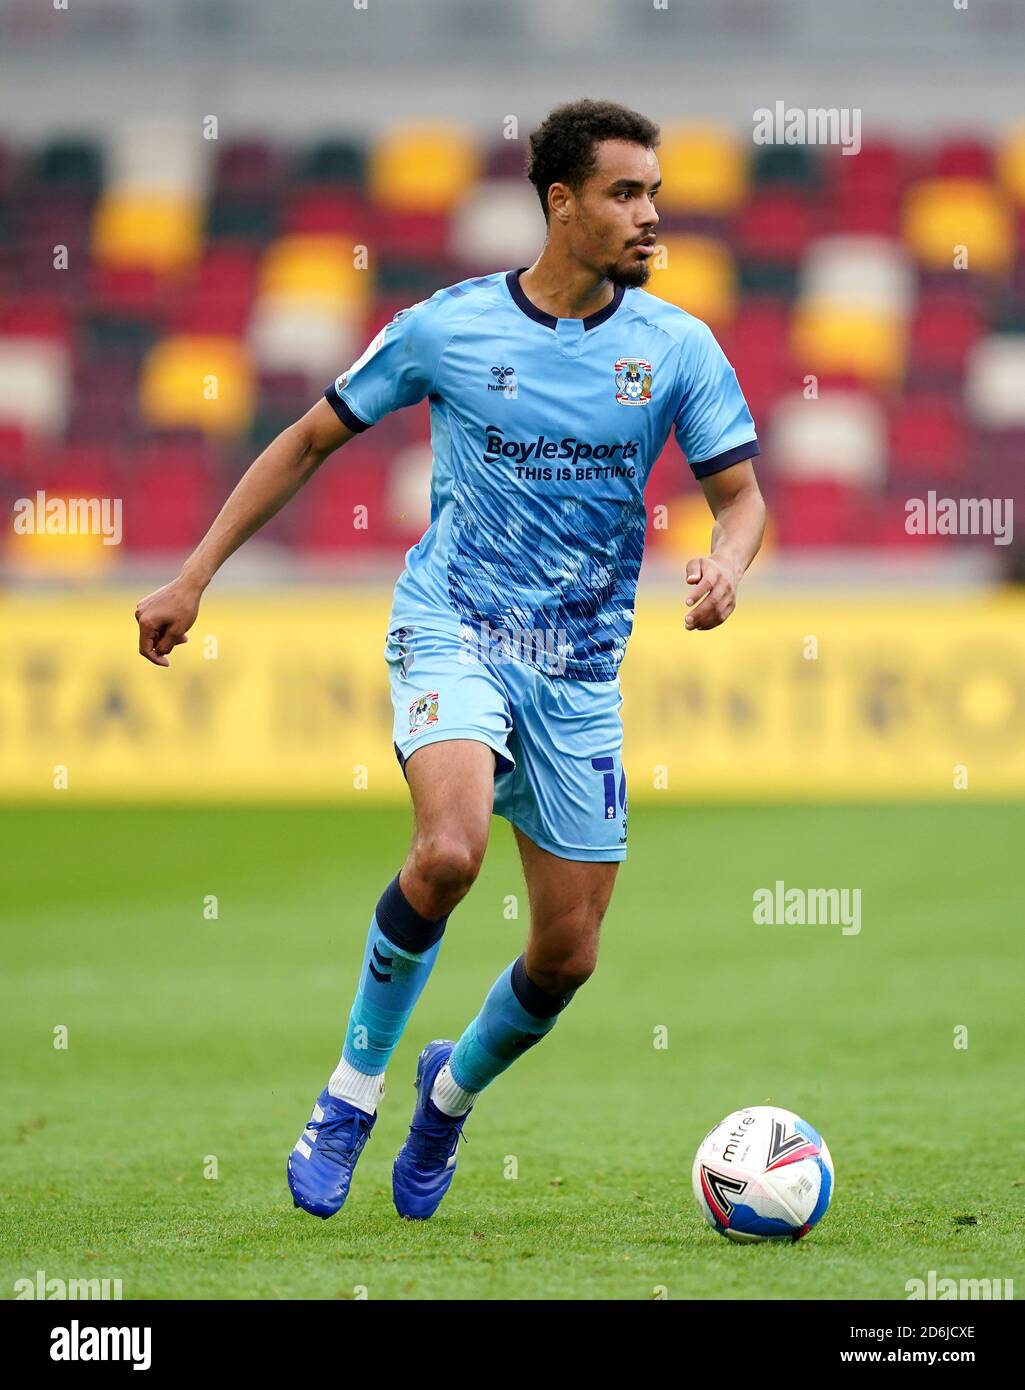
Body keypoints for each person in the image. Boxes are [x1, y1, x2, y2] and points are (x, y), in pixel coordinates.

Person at [135, 98, 767, 1222]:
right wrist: (192, 576)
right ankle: (347, 1095)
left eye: (655, 194)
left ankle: (447, 1093)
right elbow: (308, 436)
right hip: (455, 627)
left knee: (566, 955)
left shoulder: (676, 347)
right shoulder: (447, 327)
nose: (648, 215)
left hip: (576, 669)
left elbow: (742, 498)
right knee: (447, 850)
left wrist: (726, 563)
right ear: (559, 202)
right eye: (625, 193)